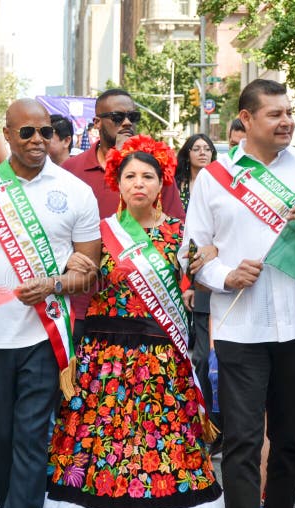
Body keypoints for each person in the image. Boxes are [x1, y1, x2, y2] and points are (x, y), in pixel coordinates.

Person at [181, 79, 295, 508]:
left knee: (292, 438)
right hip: (240, 327)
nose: (286, 122)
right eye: (274, 114)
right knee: (241, 438)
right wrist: (225, 275)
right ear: (246, 119)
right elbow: (192, 255)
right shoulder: (215, 178)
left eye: (289, 113)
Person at [43, 135, 226, 508]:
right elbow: (77, 279)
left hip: (161, 358)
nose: (138, 183)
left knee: (161, 441)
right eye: (130, 176)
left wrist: (208, 261)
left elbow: (208, 267)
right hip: (104, 359)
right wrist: (74, 267)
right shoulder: (97, 233)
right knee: (100, 442)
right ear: (117, 182)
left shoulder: (182, 235)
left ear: (163, 184)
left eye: (147, 176)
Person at [0, 98, 101, 508]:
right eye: (27, 133)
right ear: (9, 135)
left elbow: (87, 268)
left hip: (46, 335)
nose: (38, 140)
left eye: (46, 132)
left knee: (34, 437)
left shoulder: (75, 191)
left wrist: (56, 283)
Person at [63, 88, 185, 345]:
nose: (127, 123)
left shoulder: (159, 173)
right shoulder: (71, 170)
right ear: (96, 123)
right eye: (117, 117)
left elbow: (178, 237)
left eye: (133, 116)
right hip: (86, 308)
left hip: (152, 310)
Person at [175, 133, 221, 452]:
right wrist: (189, 281)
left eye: (207, 148)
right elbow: (189, 242)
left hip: (223, 277)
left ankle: (221, 425)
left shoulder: (223, 184)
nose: (202, 152)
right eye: (197, 148)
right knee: (201, 359)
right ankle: (205, 423)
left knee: (220, 361)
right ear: (188, 154)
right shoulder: (176, 188)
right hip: (191, 275)